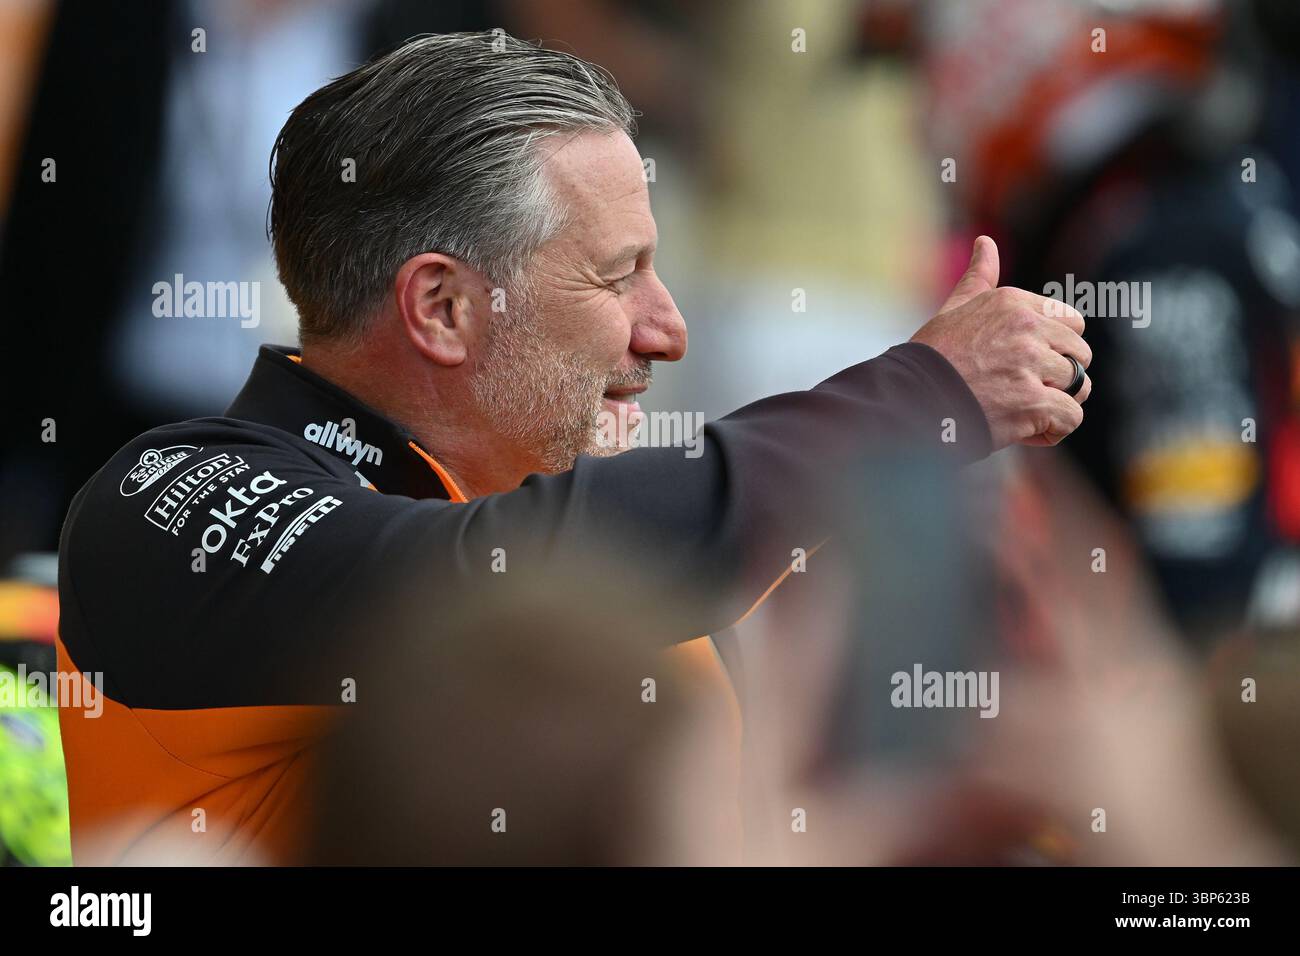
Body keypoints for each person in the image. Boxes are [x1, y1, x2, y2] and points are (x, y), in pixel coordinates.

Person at [55, 31, 1090, 864]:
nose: (667, 327)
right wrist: (917, 396)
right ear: (445, 307)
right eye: (616, 276)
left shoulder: (648, 549)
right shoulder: (164, 501)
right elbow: (467, 586)